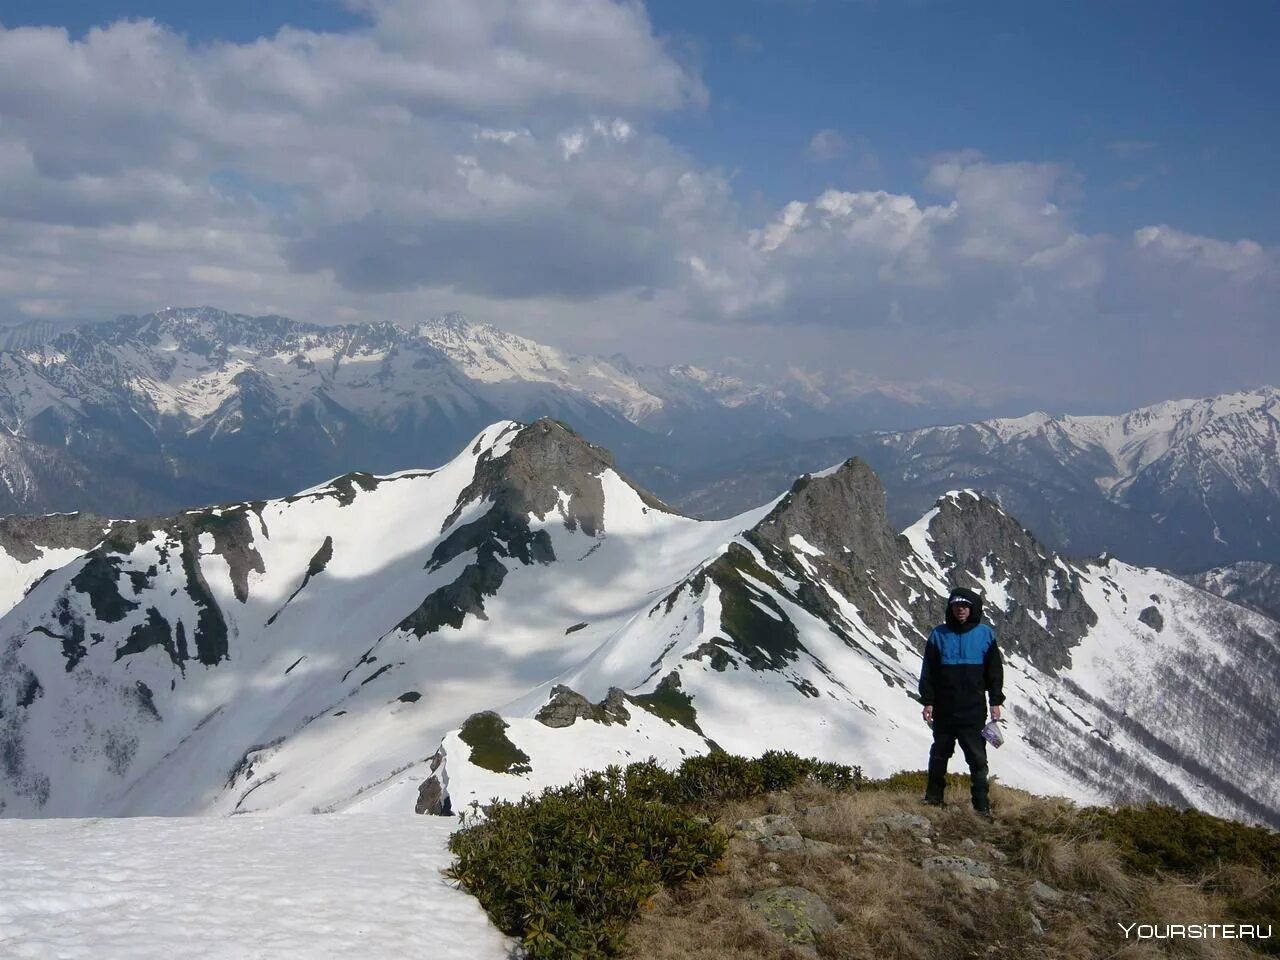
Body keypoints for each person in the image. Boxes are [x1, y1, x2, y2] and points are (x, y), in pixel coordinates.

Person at [917, 587, 1005, 817]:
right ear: (951, 608)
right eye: (956, 606)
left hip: (973, 710)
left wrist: (996, 700)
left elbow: (994, 671)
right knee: (939, 754)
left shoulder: (985, 635)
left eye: (965, 606)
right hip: (945, 709)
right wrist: (928, 701)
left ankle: (981, 806)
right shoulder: (938, 635)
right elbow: (929, 671)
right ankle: (934, 799)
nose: (961, 610)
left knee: (977, 759)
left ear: (973, 608)